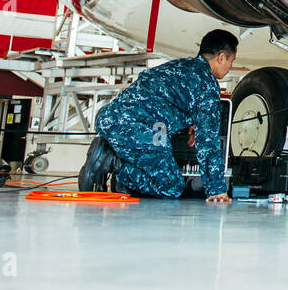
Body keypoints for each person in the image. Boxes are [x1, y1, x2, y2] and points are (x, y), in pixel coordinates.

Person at [79, 29, 237, 203]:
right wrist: (216, 190)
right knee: (171, 186)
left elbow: (161, 102)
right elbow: (208, 141)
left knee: (158, 157)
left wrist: (191, 123)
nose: (229, 68)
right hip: (140, 130)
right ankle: (116, 164)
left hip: (110, 118)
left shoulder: (178, 65)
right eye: (231, 61)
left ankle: (116, 163)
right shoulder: (207, 84)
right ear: (221, 57)